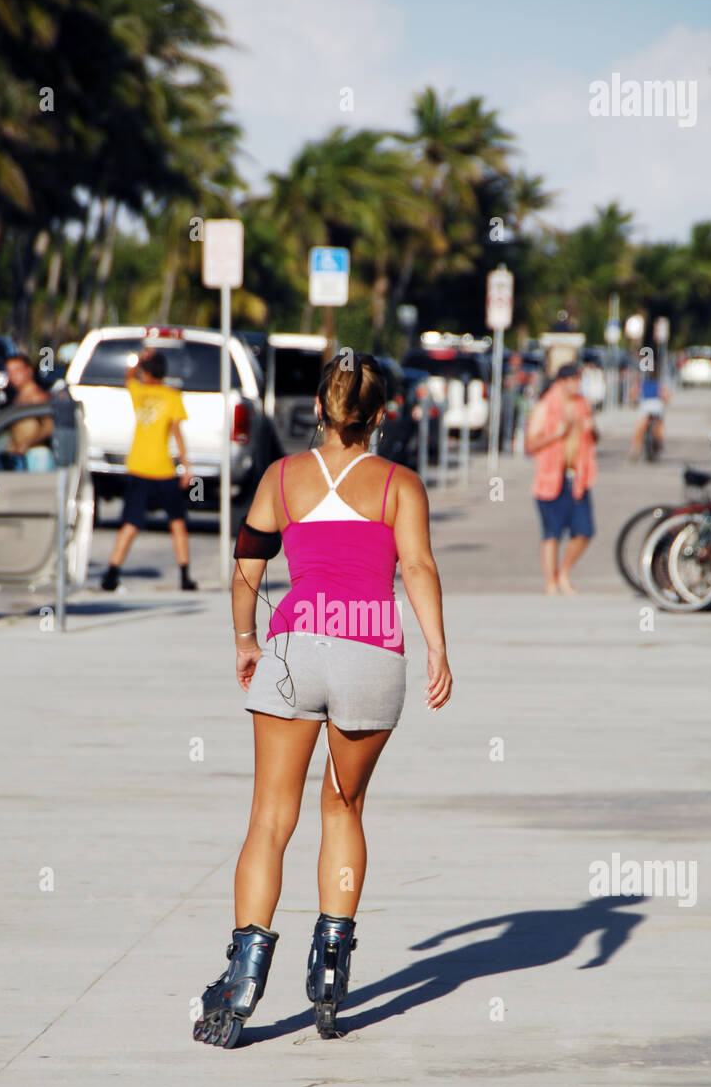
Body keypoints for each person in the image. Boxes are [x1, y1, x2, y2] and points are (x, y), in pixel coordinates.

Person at [193, 353, 452, 1048]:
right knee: (343, 807)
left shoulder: (280, 479)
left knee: (268, 819)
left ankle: (242, 981)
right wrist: (437, 649)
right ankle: (331, 976)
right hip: (372, 653)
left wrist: (245, 641)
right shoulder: (400, 485)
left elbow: (247, 567)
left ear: (318, 406)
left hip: (293, 651)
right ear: (380, 415)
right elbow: (419, 566)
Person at [101, 347, 197, 592]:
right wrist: (186, 466)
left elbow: (128, 376)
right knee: (177, 523)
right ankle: (185, 575)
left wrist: (138, 357)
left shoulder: (139, 392)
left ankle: (112, 572)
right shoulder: (172, 396)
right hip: (163, 469)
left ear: (147, 372)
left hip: (138, 467)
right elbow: (178, 433)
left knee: (131, 523)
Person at [526, 361, 597, 596]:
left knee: (584, 531)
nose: (578, 384)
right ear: (562, 382)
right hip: (550, 478)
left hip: (577, 477)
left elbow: (594, 438)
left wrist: (592, 429)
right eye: (574, 380)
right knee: (552, 533)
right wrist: (555, 435)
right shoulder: (545, 406)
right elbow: (530, 444)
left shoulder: (583, 406)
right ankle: (551, 582)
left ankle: (563, 572)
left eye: (580, 380)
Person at [3, 352, 53, 458]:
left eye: (17, 371)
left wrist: (28, 444)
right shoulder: (17, 396)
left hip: (35, 456)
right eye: (9, 371)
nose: (13, 376)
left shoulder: (37, 396)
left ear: (29, 371)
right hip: (20, 456)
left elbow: (49, 426)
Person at [629, 367, 669, 461]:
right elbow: (666, 395)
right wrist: (665, 401)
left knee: (639, 429)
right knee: (659, 425)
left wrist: (634, 402)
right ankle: (659, 441)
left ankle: (635, 450)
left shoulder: (641, 384)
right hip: (656, 406)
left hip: (646, 406)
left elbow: (632, 394)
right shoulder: (659, 384)